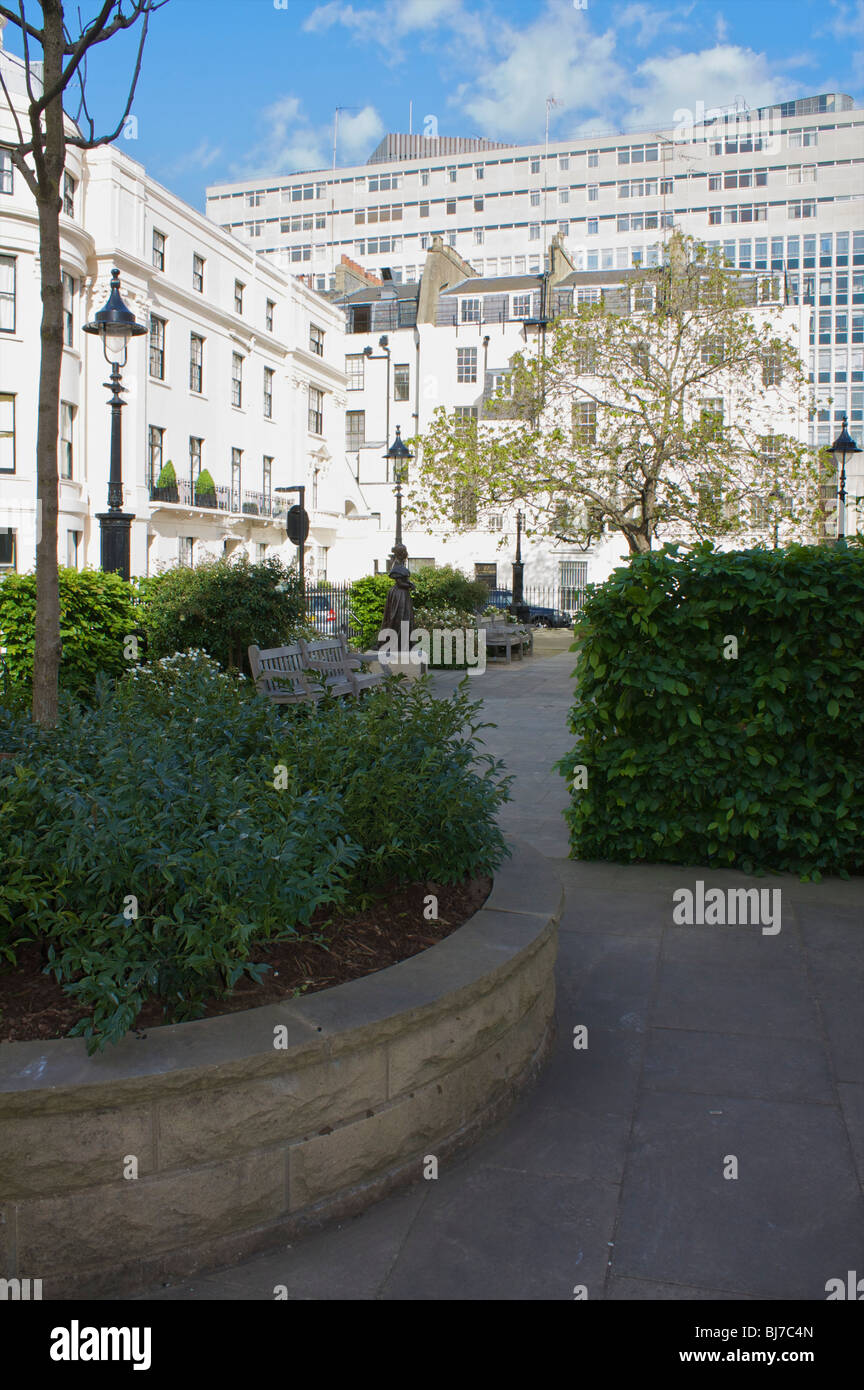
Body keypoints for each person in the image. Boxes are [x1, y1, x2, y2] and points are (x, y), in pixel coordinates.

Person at [378, 544, 415, 653]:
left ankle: (404, 643)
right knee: (397, 617)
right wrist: (409, 586)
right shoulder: (397, 566)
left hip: (403, 594)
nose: (406, 553)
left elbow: (404, 581)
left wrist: (409, 584)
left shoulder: (401, 564)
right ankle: (395, 643)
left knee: (405, 618)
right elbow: (399, 583)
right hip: (399, 595)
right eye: (404, 552)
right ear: (401, 553)